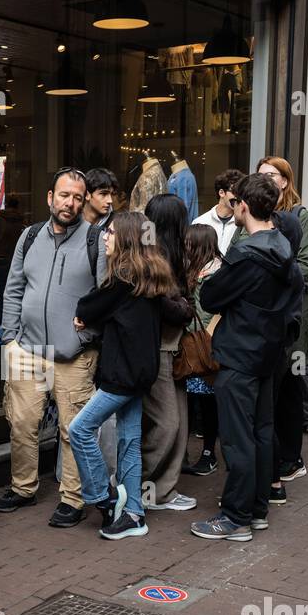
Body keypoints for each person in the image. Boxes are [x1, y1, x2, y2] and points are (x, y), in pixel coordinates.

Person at [191, 173, 303, 542]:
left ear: (242, 206)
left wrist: (213, 278)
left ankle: (235, 518)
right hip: (269, 355)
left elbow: (210, 298)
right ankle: (256, 511)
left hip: (241, 354)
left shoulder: (246, 253)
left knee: (238, 438)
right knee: (260, 433)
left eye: (235, 203)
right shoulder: (285, 249)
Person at [0, 168, 107, 528]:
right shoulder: (29, 237)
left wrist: (85, 339)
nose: (70, 203)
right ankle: (23, 487)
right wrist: (10, 339)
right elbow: (13, 289)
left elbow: (106, 297)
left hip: (74, 356)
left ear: (84, 200)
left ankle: (72, 499)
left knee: (72, 430)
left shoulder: (96, 240)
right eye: (64, 195)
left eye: (77, 197)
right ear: (50, 198)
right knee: (22, 422)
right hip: (27, 350)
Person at [69, 212, 186, 540]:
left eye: (110, 233)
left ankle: (104, 499)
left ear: (127, 238)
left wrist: (87, 317)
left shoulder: (122, 276)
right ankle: (134, 513)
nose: (105, 237)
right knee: (129, 441)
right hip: (141, 373)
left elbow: (86, 308)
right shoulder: (149, 275)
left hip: (121, 376)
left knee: (79, 430)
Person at [255, 157, 308, 497]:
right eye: (260, 174)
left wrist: (268, 275)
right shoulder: (254, 213)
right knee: (270, 392)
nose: (264, 179)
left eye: (271, 175)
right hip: (262, 321)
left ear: (285, 181)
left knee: (290, 389)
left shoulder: (299, 217)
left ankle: (291, 459)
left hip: (291, 319)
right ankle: (272, 457)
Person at [141, 194, 198, 512]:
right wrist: (184, 308)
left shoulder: (172, 254)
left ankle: (165, 489)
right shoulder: (150, 257)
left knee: (181, 423)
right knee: (167, 423)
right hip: (158, 347)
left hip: (174, 347)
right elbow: (160, 304)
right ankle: (148, 488)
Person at [181, 223, 223, 476]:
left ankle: (209, 453)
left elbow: (219, 312)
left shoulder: (216, 273)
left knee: (208, 403)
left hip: (207, 344)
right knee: (190, 401)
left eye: (188, 243)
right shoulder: (192, 270)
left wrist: (209, 337)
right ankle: (185, 453)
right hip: (192, 344)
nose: (184, 247)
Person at [192, 168, 243, 255]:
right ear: (221, 193)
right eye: (235, 192)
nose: (238, 197)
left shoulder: (242, 223)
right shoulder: (200, 222)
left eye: (241, 193)